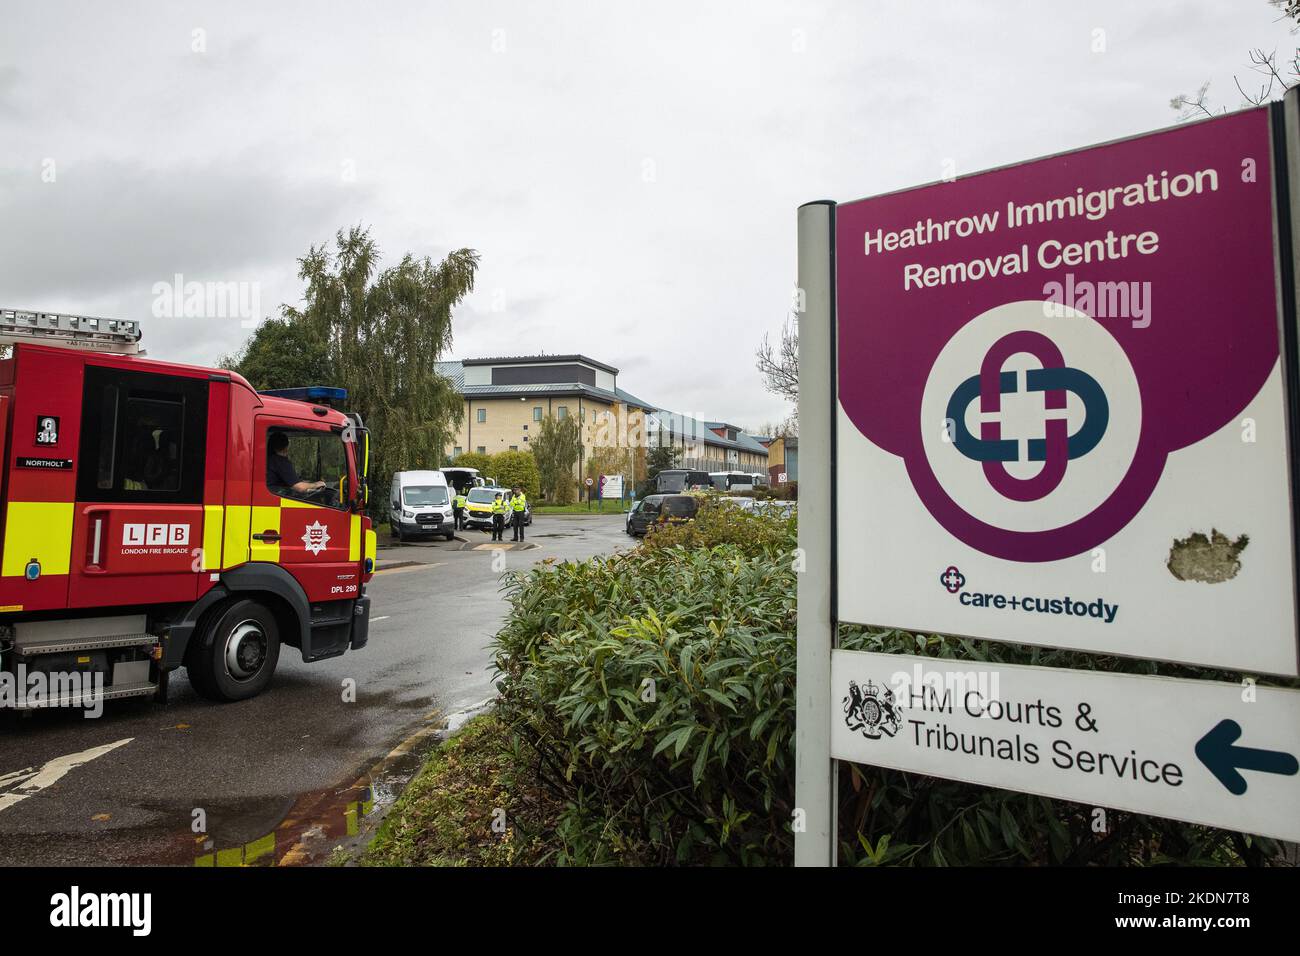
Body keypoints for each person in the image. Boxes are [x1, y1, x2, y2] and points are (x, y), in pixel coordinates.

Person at [267, 432, 326, 500]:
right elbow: (300, 487)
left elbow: (292, 481)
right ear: (286, 447)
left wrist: (307, 483)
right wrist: (317, 484)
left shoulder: (269, 460)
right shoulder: (280, 461)